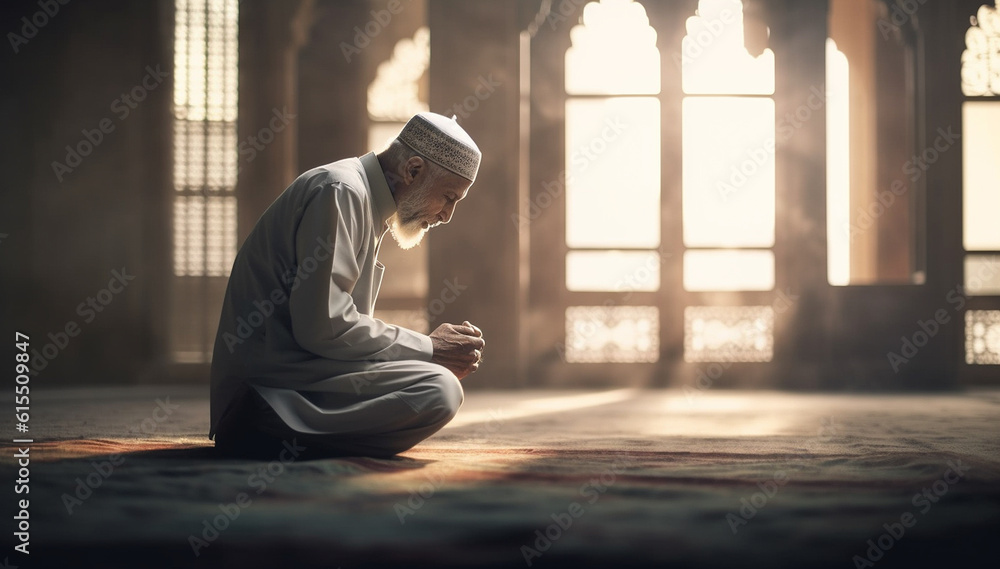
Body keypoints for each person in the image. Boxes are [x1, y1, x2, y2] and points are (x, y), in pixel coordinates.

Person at [209, 112, 486, 458]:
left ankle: (287, 437)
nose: (447, 215)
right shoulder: (340, 191)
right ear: (413, 171)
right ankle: (261, 426)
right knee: (440, 388)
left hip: (307, 369)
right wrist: (429, 347)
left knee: (434, 380)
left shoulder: (362, 197)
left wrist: (426, 352)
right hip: (271, 384)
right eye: (448, 197)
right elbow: (323, 327)